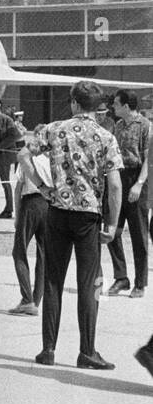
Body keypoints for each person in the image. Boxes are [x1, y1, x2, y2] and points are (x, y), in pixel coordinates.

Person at [19, 80, 121, 370]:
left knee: (53, 281)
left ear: (75, 103)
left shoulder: (54, 129)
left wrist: (42, 186)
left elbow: (24, 155)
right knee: (88, 284)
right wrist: (112, 225)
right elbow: (114, 186)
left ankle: (48, 349)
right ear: (97, 106)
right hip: (88, 216)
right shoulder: (105, 137)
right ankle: (86, 351)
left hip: (57, 211)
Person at [104, 89, 151, 298]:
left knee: (138, 234)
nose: (113, 107)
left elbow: (149, 159)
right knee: (111, 229)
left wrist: (139, 184)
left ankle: (140, 282)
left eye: (115, 103)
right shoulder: (119, 125)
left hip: (136, 178)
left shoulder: (146, 126)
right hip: (119, 177)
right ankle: (121, 277)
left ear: (126, 105)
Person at [7, 133, 48, 316]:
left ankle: (27, 299)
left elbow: (18, 187)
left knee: (19, 250)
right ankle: (36, 299)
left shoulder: (27, 159)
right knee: (44, 253)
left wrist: (17, 214)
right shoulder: (51, 158)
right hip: (49, 203)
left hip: (31, 202)